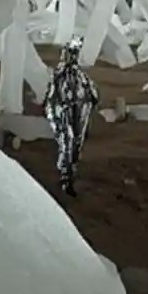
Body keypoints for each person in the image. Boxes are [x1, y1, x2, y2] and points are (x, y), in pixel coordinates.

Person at [43, 36, 99, 196]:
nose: (73, 57)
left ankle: (69, 171)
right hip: (64, 111)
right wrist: (53, 112)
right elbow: (51, 96)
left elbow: (92, 94)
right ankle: (66, 177)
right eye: (71, 53)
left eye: (75, 53)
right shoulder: (60, 74)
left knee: (75, 143)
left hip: (77, 112)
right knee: (68, 141)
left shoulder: (80, 76)